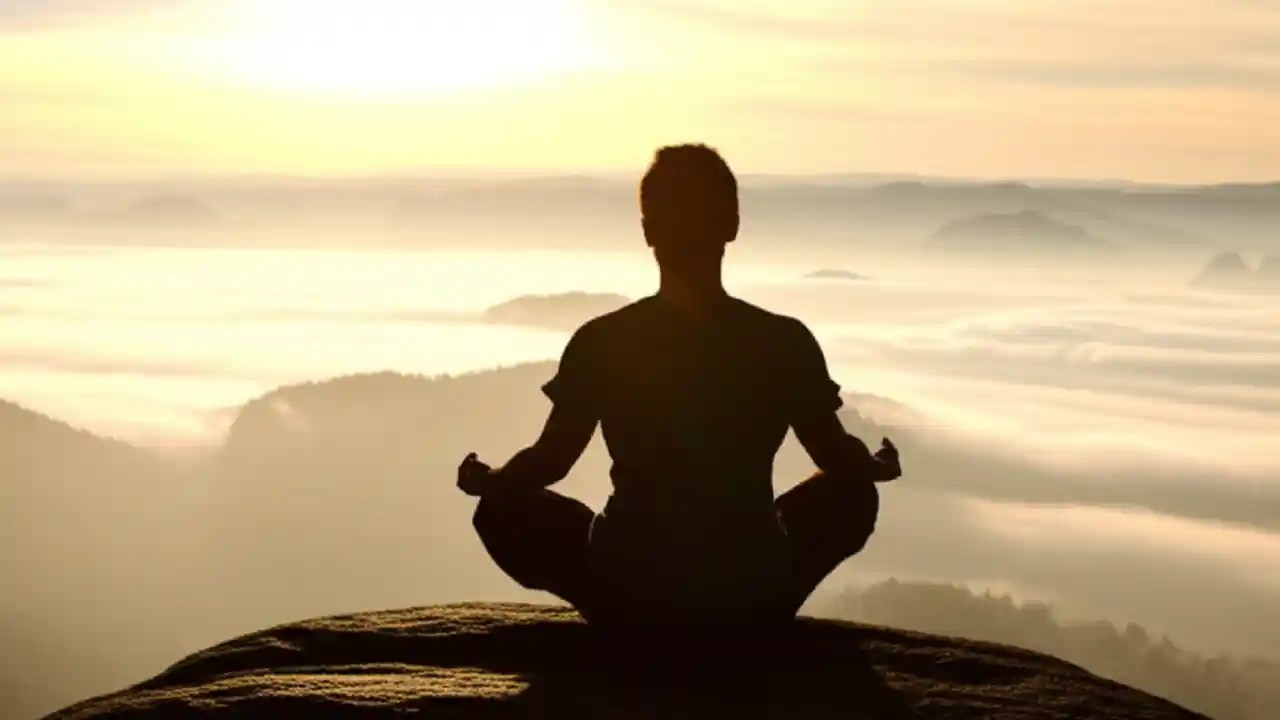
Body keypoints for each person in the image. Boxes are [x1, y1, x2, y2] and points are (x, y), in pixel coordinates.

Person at [458, 144, 900, 630]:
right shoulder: (783, 341)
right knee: (853, 495)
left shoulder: (602, 340)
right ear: (731, 226)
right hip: (749, 578)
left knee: (501, 510)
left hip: (628, 580)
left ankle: (620, 621)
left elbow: (550, 461)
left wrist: (493, 480)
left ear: (648, 232)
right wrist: (874, 466)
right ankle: (756, 617)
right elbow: (836, 458)